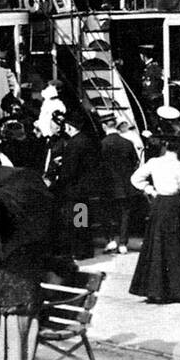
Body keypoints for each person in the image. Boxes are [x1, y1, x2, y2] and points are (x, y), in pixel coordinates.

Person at [129, 135, 180, 303]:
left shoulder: (154, 162)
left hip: (159, 204)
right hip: (175, 207)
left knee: (156, 247)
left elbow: (135, 179)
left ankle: (154, 290)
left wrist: (150, 189)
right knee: (175, 247)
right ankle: (177, 290)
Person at [46, 111, 106, 261]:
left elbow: (70, 171)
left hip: (74, 190)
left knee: (76, 221)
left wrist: (59, 174)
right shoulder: (86, 140)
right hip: (85, 188)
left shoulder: (73, 144)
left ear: (70, 126)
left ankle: (80, 250)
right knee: (83, 220)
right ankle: (86, 249)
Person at [100, 113, 139, 254]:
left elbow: (99, 166)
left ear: (104, 126)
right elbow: (135, 162)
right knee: (125, 214)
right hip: (125, 185)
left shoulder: (102, 145)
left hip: (108, 185)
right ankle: (123, 243)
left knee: (107, 213)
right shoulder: (127, 143)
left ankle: (110, 240)